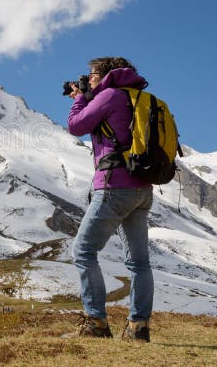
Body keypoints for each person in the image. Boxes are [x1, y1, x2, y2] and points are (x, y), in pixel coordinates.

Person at [65, 56, 153, 342]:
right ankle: (138, 328)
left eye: (92, 75)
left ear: (105, 76)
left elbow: (76, 126)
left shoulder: (110, 95)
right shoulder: (137, 97)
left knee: (83, 251)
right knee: (139, 262)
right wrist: (87, 96)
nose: (88, 79)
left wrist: (80, 99)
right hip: (142, 189)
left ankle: (96, 323)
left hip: (114, 186)